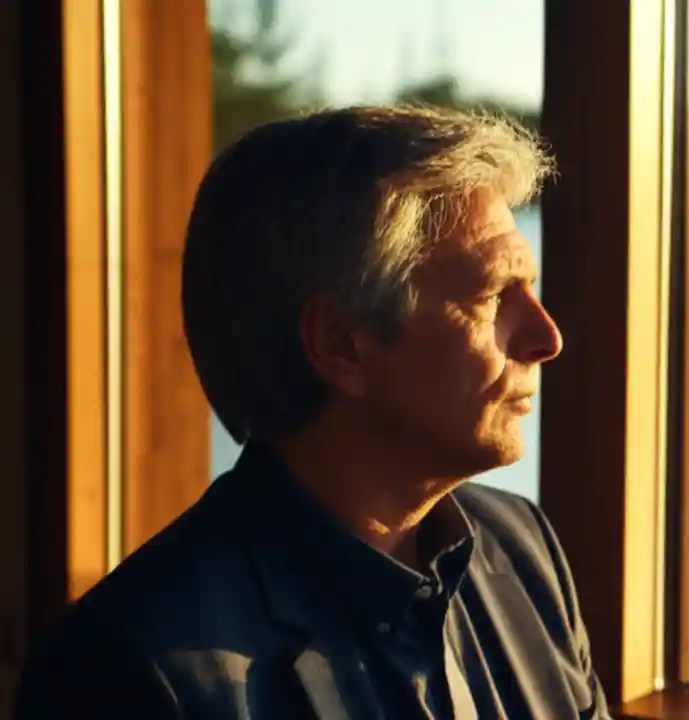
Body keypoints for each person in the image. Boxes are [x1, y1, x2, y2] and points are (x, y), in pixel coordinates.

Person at [15, 106, 610, 719]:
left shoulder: (522, 549)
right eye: (492, 295)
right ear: (341, 343)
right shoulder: (127, 670)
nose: (547, 337)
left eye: (530, 289)